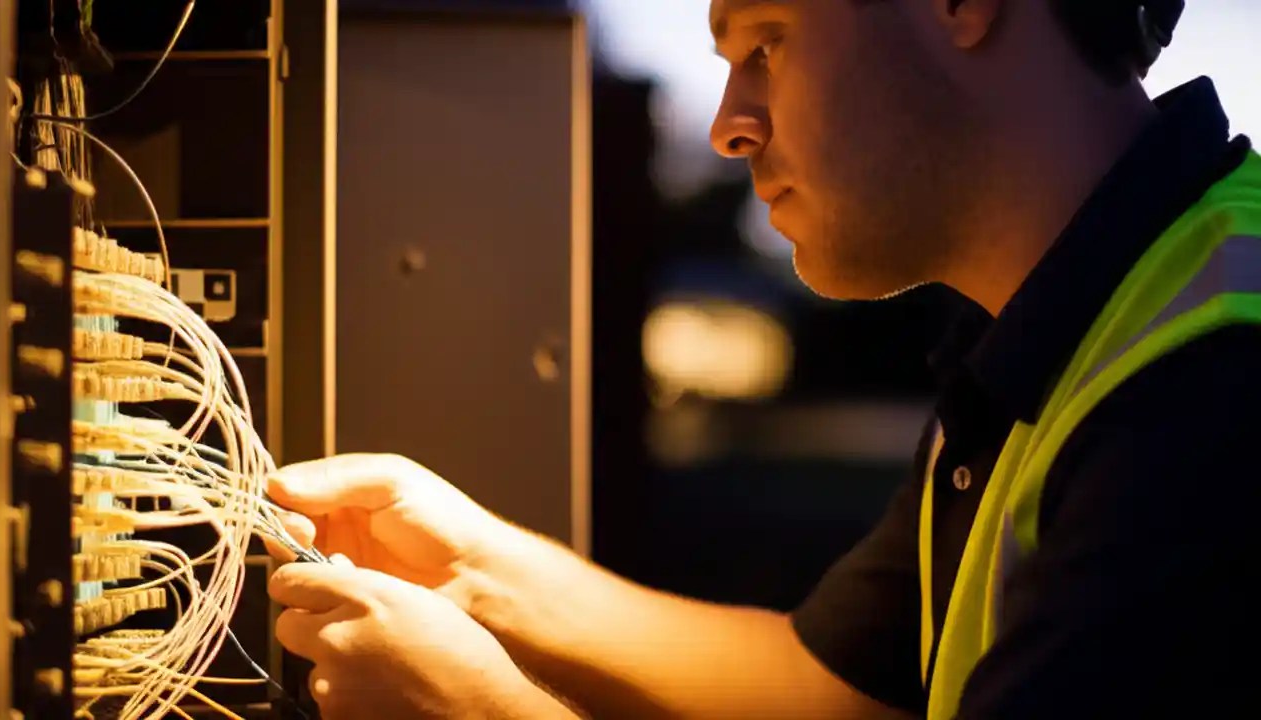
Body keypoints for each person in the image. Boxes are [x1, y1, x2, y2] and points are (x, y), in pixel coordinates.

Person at [266, 0, 1261, 717]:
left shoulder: (1210, 392)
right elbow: (826, 690)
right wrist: (476, 571)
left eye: (766, 42)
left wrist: (482, 708)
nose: (725, 124)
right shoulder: (1083, 318)